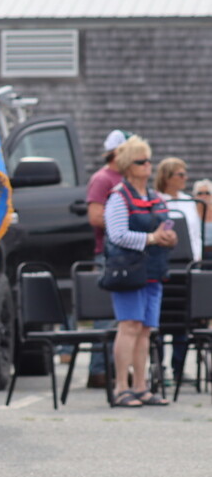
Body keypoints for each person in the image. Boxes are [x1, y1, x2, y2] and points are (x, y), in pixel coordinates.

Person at [104, 136, 176, 407]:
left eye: (149, 160)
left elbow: (165, 226)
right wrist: (152, 239)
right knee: (129, 326)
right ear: (127, 166)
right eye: (141, 161)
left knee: (145, 329)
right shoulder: (118, 197)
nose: (148, 165)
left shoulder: (156, 197)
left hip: (153, 270)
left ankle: (141, 386)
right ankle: (121, 387)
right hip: (128, 271)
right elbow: (118, 234)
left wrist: (169, 238)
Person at [84, 129, 131, 388]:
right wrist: (125, 223)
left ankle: (117, 368)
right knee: (105, 314)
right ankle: (98, 371)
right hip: (108, 254)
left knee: (123, 316)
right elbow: (94, 216)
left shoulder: (126, 178)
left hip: (127, 255)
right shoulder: (103, 179)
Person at [155, 157, 202, 381]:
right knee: (161, 319)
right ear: (167, 177)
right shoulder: (156, 200)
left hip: (187, 268)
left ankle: (179, 368)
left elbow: (194, 235)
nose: (184, 179)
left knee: (182, 320)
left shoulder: (188, 202)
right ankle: (159, 367)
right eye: (180, 175)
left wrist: (197, 260)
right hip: (163, 266)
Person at [193, 178, 212, 258]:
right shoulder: (191, 212)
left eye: (207, 193)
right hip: (197, 252)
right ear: (195, 196)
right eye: (200, 193)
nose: (204, 196)